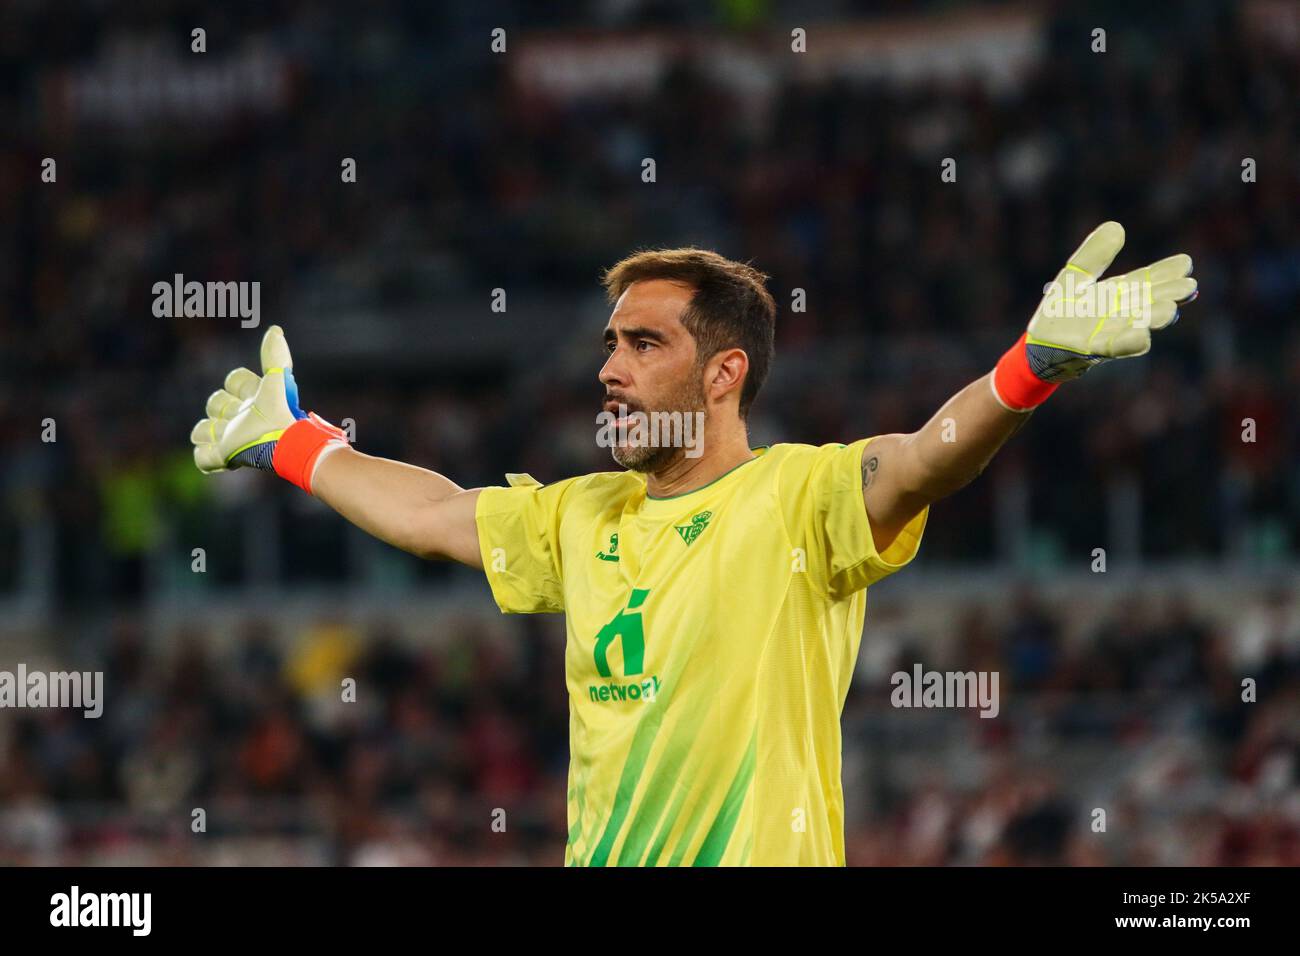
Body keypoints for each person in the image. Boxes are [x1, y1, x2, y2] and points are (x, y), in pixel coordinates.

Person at [190, 222, 1196, 865]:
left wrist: (1025, 370)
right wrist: (295, 441)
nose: (609, 370)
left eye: (643, 343)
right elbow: (433, 512)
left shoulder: (796, 493)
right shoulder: (581, 514)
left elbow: (921, 462)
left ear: (722, 373)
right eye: (607, 345)